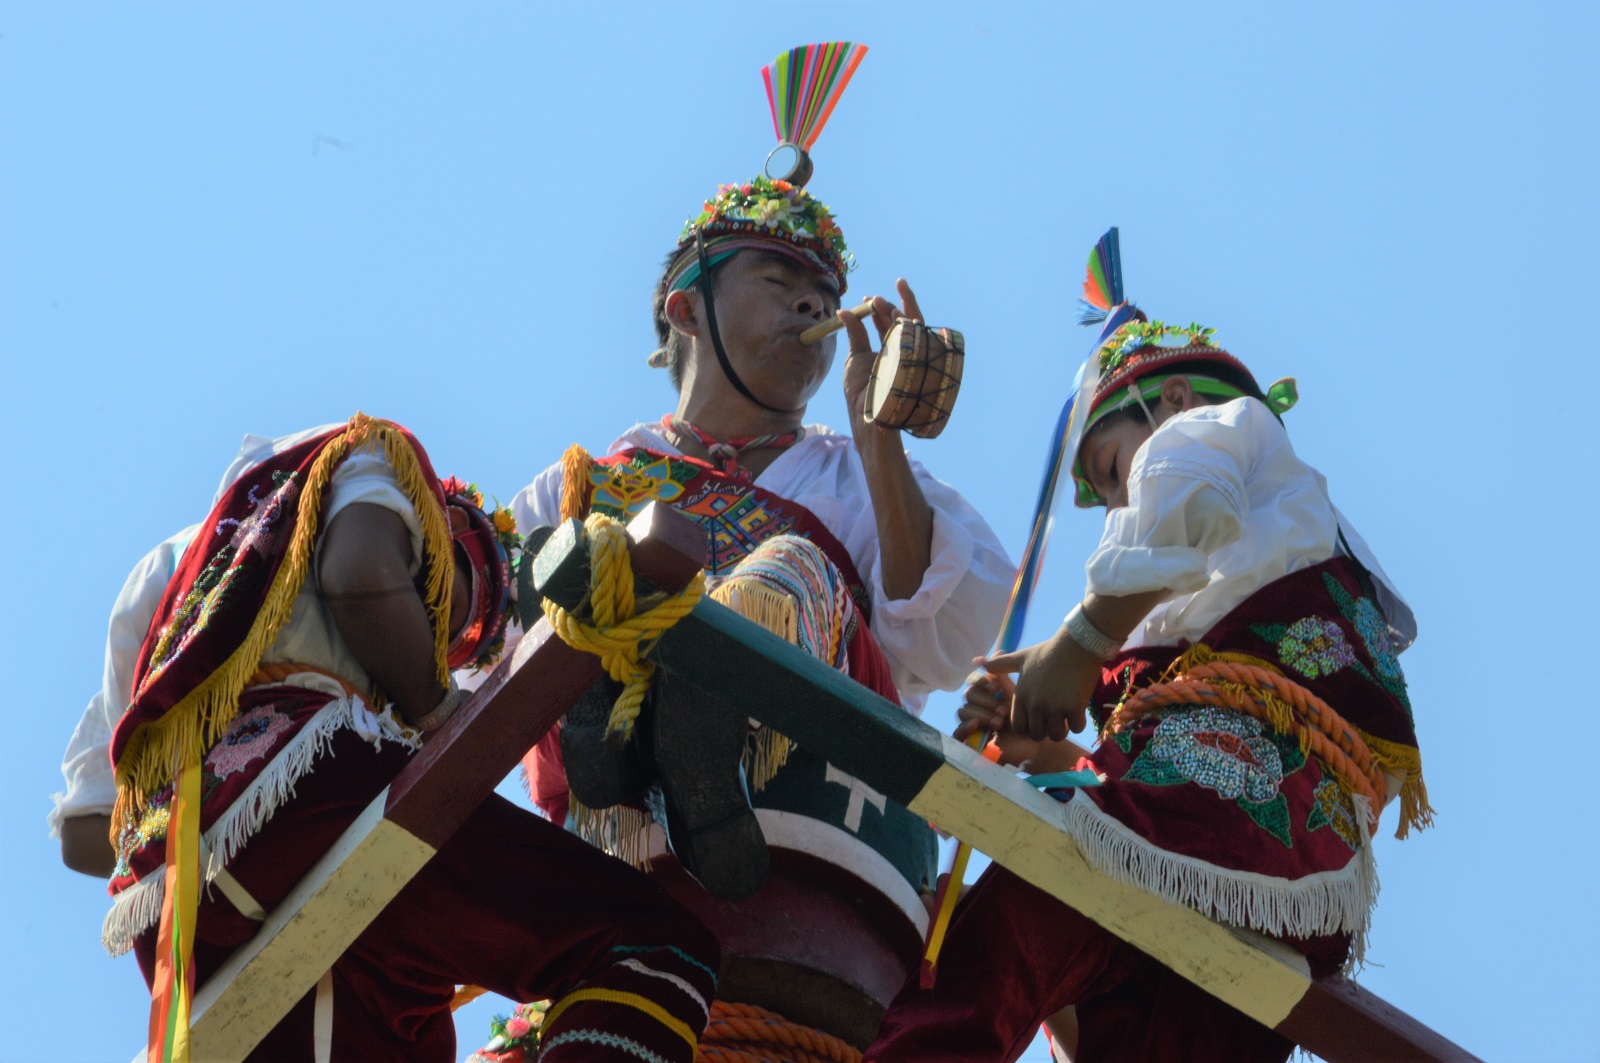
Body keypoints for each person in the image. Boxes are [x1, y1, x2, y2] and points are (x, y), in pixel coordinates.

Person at [867, 303, 1427, 1062]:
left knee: (997, 937)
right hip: (1275, 866)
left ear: (1172, 401)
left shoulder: (1216, 431)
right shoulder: (1265, 555)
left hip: (1209, 811)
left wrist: (1081, 641)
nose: (1122, 507)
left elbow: (1183, 508)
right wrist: (1044, 750)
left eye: (1111, 471)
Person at [81, 414, 720, 1062]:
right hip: (317, 789)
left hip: (175, 914)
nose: (449, 641)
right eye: (455, 616)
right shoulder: (363, 452)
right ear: (443, 523)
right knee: (652, 946)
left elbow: (88, 824)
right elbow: (362, 574)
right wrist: (437, 709)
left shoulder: (164, 572)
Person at [512, 175, 1013, 899]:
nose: (812, 304)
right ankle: (631, 739)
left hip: (820, 801)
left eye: (824, 296)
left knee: (797, 563)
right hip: (614, 840)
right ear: (685, 309)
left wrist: (878, 442)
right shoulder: (581, 483)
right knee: (576, 557)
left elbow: (929, 645)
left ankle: (699, 738)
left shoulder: (855, 473)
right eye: (780, 280)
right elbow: (492, 654)